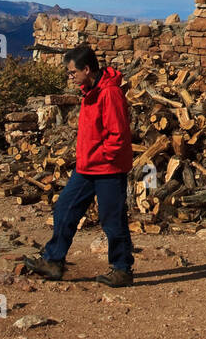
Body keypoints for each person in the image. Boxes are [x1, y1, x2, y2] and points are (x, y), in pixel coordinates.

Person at [25, 45, 135, 287]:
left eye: (72, 72)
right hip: (87, 168)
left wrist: (100, 156)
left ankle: (122, 269)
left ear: (87, 69)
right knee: (65, 209)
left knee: (112, 220)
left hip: (108, 169)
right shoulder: (92, 91)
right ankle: (53, 261)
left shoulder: (109, 93)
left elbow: (118, 136)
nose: (70, 76)